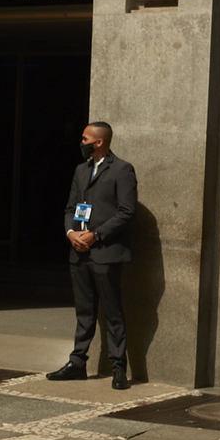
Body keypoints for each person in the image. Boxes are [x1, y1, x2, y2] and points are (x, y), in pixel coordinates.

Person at [46, 121, 137, 389]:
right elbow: (70, 208)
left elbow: (127, 211)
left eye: (85, 138)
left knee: (112, 312)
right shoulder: (80, 170)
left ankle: (119, 366)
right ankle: (77, 362)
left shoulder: (122, 170)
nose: (81, 142)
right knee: (84, 311)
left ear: (98, 142)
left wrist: (95, 235)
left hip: (106, 253)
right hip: (79, 253)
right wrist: (71, 233)